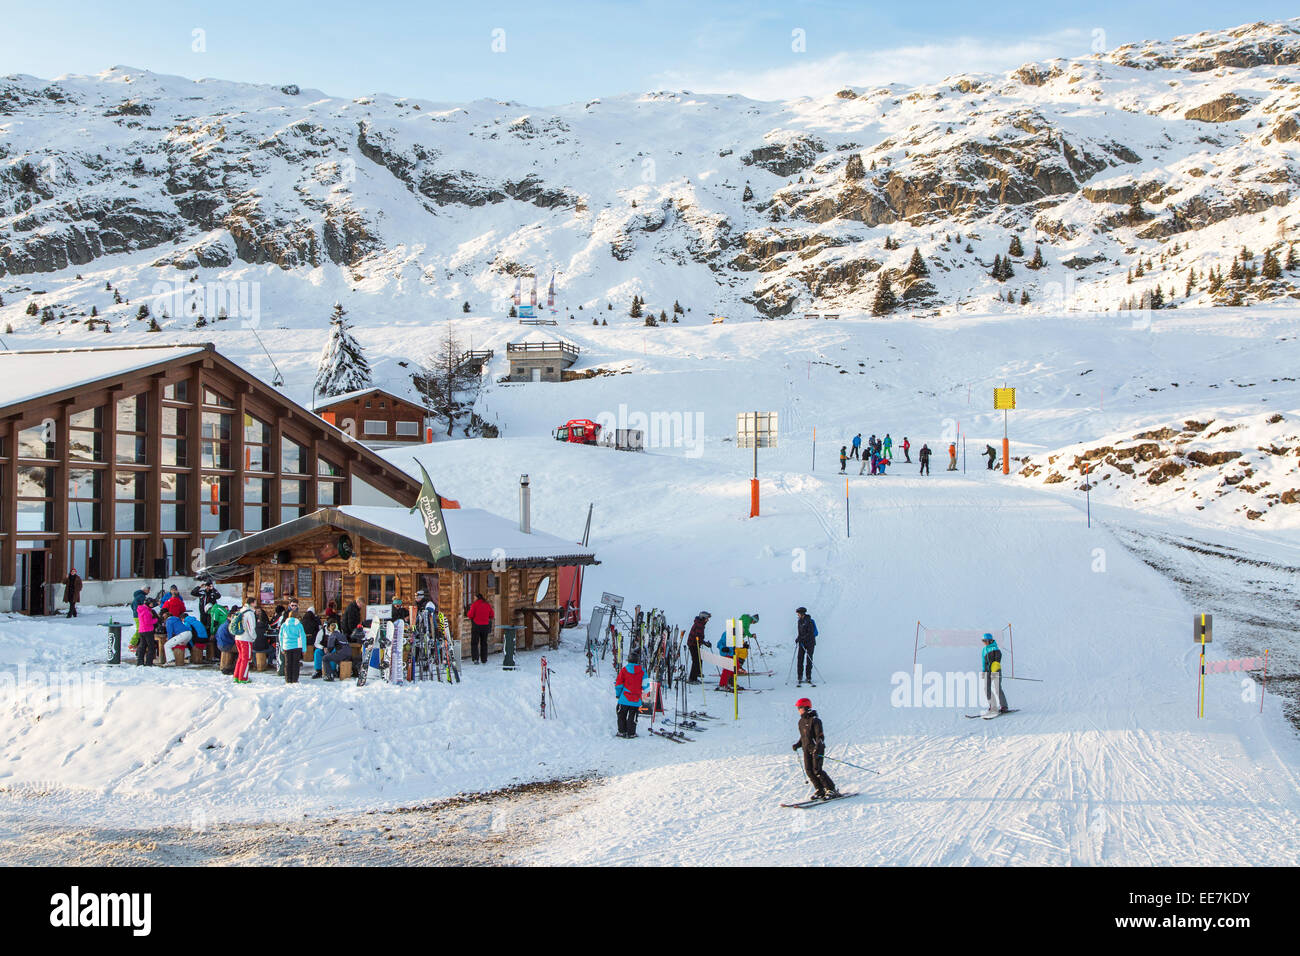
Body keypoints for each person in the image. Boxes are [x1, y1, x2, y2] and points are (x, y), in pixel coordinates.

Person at [792, 698, 838, 800]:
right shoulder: (801, 722)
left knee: (817, 770)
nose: (798, 710)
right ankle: (820, 789)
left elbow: (819, 736)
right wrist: (798, 744)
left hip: (817, 749)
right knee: (809, 770)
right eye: (798, 708)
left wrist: (817, 746)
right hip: (806, 749)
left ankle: (831, 789)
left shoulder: (815, 721)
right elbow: (804, 736)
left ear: (806, 707)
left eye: (799, 707)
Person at [615, 651, 647, 738]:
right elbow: (646, 686)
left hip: (624, 698)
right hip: (636, 699)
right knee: (633, 716)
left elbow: (619, 684)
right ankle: (631, 733)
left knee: (621, 715)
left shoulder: (624, 670)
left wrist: (618, 694)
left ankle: (622, 731)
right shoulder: (643, 671)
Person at [981, 633, 1010, 715]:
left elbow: (997, 661)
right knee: (986, 688)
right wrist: (984, 671)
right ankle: (993, 706)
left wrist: (994, 671)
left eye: (985, 641)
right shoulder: (984, 650)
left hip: (995, 671)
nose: (984, 642)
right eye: (983, 641)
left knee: (997, 688)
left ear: (990, 640)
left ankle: (1004, 706)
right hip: (987, 671)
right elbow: (983, 661)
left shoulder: (995, 648)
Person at [229, 600, 257, 684]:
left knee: (240, 658)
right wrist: (254, 637)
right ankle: (243, 678)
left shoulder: (241, 611)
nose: (256, 604)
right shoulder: (250, 613)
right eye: (255, 602)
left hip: (238, 637)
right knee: (246, 658)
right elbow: (251, 627)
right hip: (246, 638)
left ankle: (236, 676)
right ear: (251, 603)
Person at [279, 609, 306, 684]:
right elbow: (303, 637)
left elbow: (280, 636)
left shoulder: (284, 625)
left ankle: (288, 679)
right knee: (295, 663)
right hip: (297, 646)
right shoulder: (299, 625)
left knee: (287, 663)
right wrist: (304, 649)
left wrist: (281, 647)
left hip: (287, 646)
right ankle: (294, 679)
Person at [466, 592, 494, 664]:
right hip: (485, 626)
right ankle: (484, 659)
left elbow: (470, 615)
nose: (473, 599)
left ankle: (475, 658)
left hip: (476, 625)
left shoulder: (474, 605)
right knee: (484, 643)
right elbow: (492, 615)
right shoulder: (487, 605)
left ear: (477, 598)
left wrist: (468, 612)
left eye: (474, 597)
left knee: (474, 642)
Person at [795, 606, 817, 686]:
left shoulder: (809, 621)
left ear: (802, 614)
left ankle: (808, 676)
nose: (798, 615)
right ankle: (799, 676)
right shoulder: (799, 621)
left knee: (809, 659)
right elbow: (800, 633)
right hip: (802, 643)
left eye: (798, 614)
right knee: (800, 658)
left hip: (810, 643)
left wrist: (802, 639)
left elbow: (810, 633)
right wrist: (798, 638)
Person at [686, 611, 710, 683]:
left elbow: (699, 637)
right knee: (696, 661)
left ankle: (695, 676)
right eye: (706, 618)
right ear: (703, 618)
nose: (707, 620)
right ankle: (692, 678)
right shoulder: (699, 625)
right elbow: (698, 636)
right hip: (693, 644)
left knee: (698, 659)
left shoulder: (700, 624)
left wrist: (703, 642)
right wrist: (704, 642)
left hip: (694, 644)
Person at [134, 598, 158, 666]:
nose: (152, 605)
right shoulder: (146, 611)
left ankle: (140, 662)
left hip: (142, 630)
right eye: (151, 603)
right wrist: (156, 620)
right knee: (151, 647)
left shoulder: (142, 609)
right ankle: (148, 663)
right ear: (148, 603)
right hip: (148, 630)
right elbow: (148, 622)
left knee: (142, 646)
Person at [214, 607, 237, 675]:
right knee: (241, 649)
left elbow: (216, 635)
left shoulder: (223, 624)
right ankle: (234, 666)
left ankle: (226, 665)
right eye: (233, 617)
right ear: (229, 617)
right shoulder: (230, 625)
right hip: (227, 645)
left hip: (220, 644)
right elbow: (234, 637)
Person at [301, 606, 322, 678]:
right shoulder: (314, 620)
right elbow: (318, 629)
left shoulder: (303, 620)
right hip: (312, 639)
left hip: (304, 640)